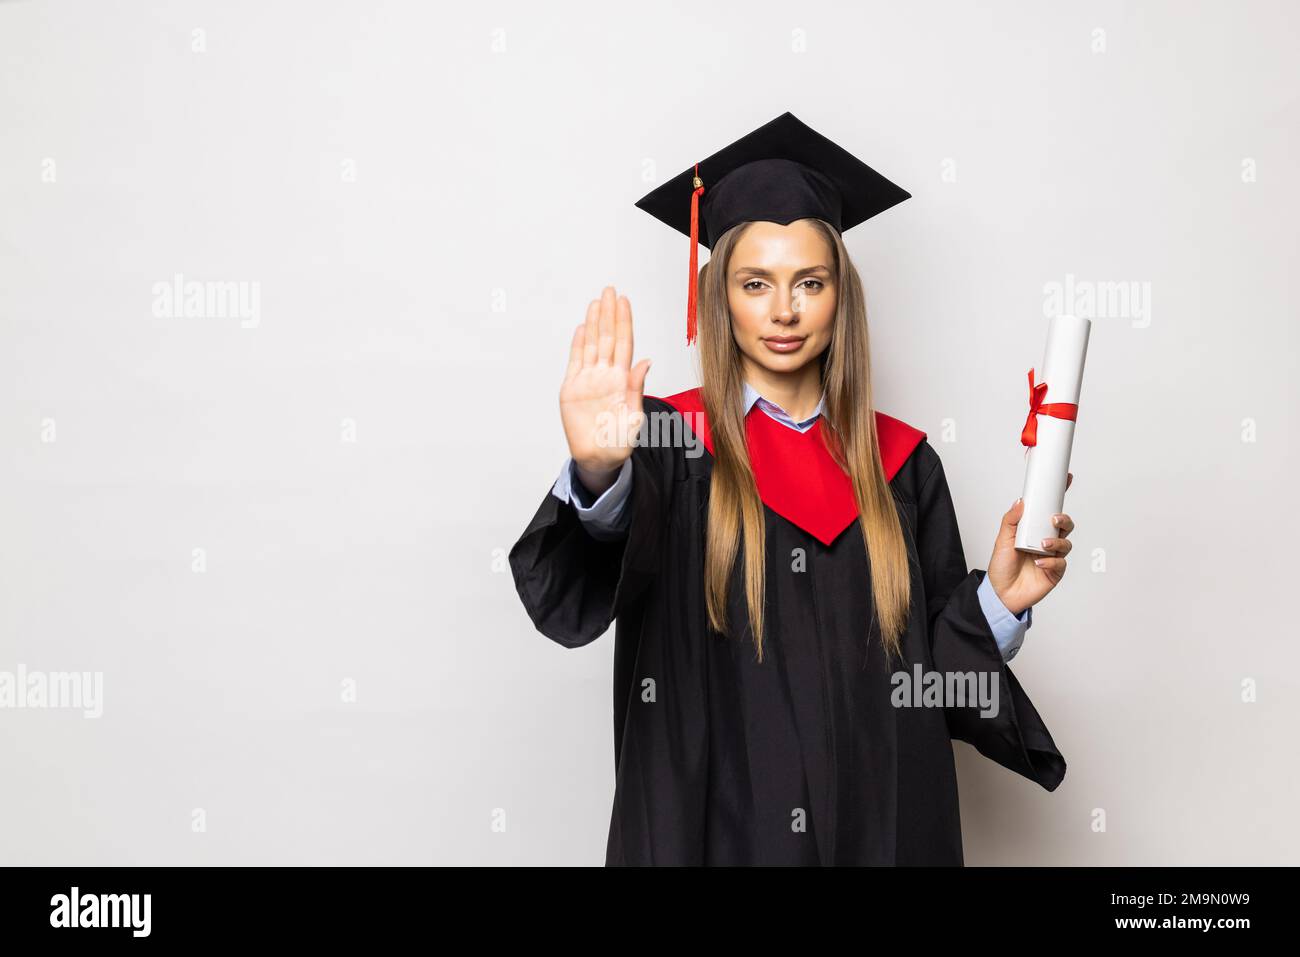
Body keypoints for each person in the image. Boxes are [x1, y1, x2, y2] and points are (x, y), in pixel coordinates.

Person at [509, 112, 1072, 865]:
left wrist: (998, 601)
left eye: (810, 281)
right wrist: (599, 471)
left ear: (842, 294)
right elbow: (600, 556)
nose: (784, 310)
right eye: (755, 283)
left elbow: (929, 688)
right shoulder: (668, 445)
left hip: (878, 831)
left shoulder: (901, 465)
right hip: (716, 831)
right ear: (719, 296)